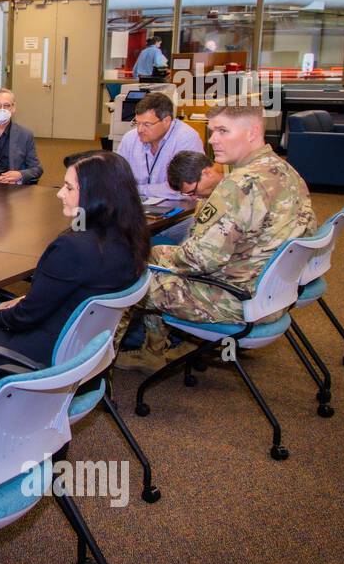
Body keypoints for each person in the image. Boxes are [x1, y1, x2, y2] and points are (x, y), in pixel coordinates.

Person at [116, 103, 316, 372]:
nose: (212, 140)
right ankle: (164, 347)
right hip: (274, 292)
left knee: (126, 279)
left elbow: (199, 260)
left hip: (235, 298)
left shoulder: (239, 185)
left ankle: (94, 371)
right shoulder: (285, 171)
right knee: (152, 256)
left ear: (253, 132)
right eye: (212, 132)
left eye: (223, 131)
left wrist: (151, 258)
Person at [0, 152, 150, 368]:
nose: (60, 194)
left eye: (69, 187)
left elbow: (24, 317)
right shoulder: (130, 236)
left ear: (96, 194)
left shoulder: (72, 248)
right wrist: (25, 300)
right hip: (84, 348)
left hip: (42, 351)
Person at [114, 91, 203, 200]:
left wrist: (138, 189)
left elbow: (184, 187)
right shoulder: (130, 138)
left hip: (177, 206)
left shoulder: (186, 138)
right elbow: (116, 179)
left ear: (166, 121)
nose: (140, 130)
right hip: (135, 204)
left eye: (147, 124)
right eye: (137, 123)